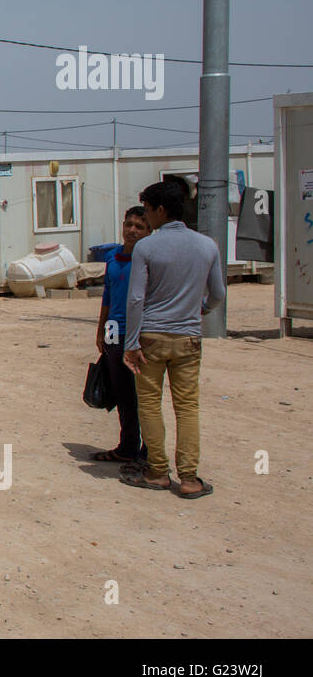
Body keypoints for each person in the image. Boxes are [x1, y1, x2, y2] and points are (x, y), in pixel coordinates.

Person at [120, 180, 226, 499]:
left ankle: (157, 472)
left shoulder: (147, 247)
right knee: (187, 406)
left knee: (150, 404)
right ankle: (190, 478)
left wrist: (131, 343)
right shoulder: (207, 245)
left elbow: (136, 298)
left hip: (151, 337)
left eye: (149, 211)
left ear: (161, 210)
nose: (147, 218)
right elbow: (218, 293)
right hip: (189, 338)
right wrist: (201, 309)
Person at [91, 206, 151, 465]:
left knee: (146, 395)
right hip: (115, 333)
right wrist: (101, 327)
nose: (132, 230)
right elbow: (107, 293)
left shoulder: (150, 259)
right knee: (123, 393)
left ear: (149, 231)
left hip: (141, 335)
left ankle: (150, 452)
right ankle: (127, 446)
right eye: (129, 224)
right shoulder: (113, 257)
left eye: (139, 226)